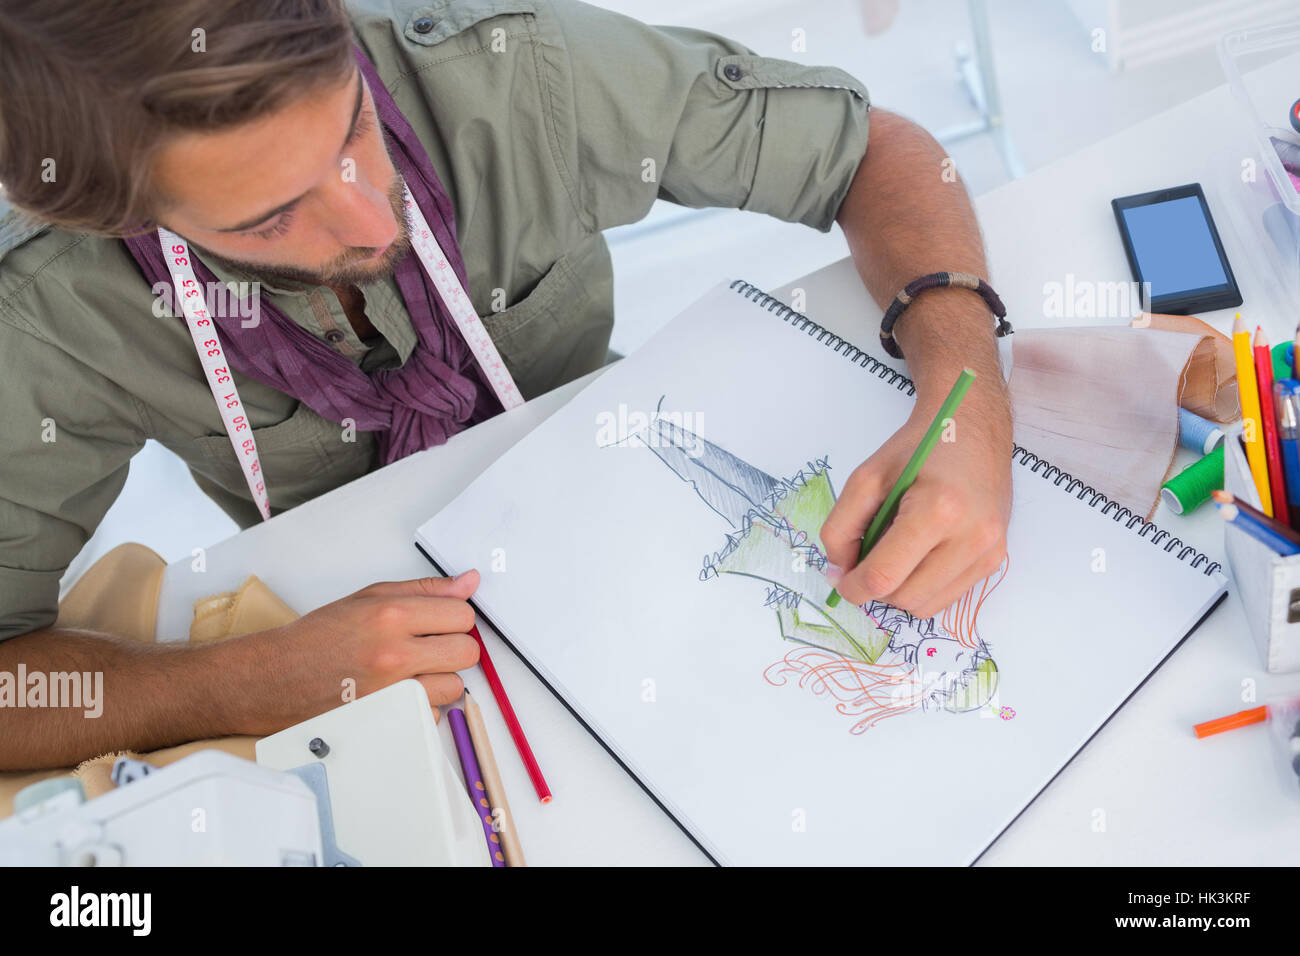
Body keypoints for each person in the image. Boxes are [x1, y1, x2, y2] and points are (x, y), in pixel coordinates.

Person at [0, 0, 1011, 769]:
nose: (369, 225)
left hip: (651, 561)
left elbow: (870, 154)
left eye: (352, 128)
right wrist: (249, 680)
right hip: (382, 677)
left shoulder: (501, 67)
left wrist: (966, 398)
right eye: (270, 220)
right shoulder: (45, 306)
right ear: (113, 216)